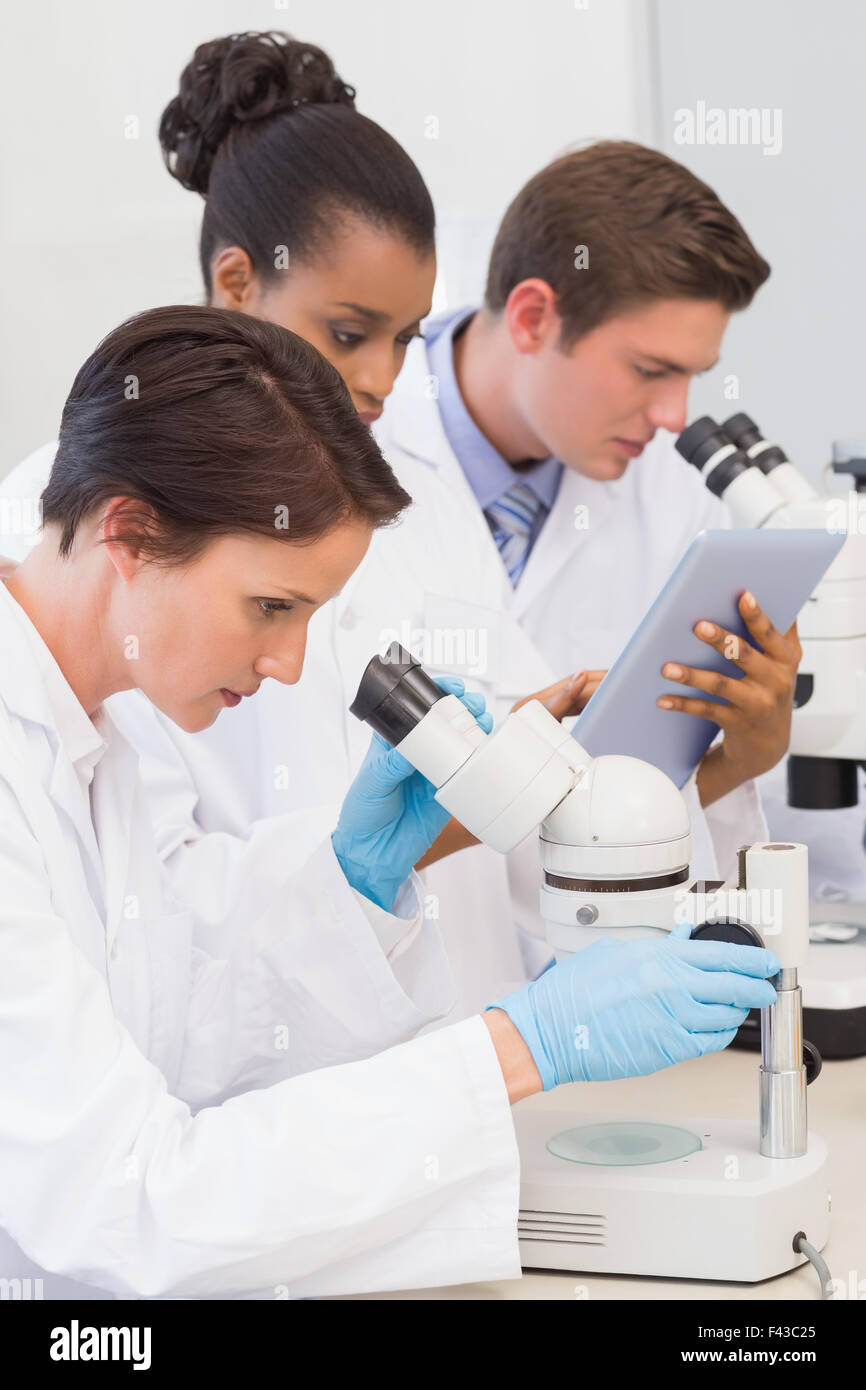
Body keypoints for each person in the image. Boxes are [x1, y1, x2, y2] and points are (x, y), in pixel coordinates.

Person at [0, 303, 782, 1300]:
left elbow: (174, 1016)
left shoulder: (100, 727)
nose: (286, 664)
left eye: (309, 618)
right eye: (270, 607)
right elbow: (128, 1200)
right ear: (130, 532)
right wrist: (521, 1043)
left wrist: (351, 877)